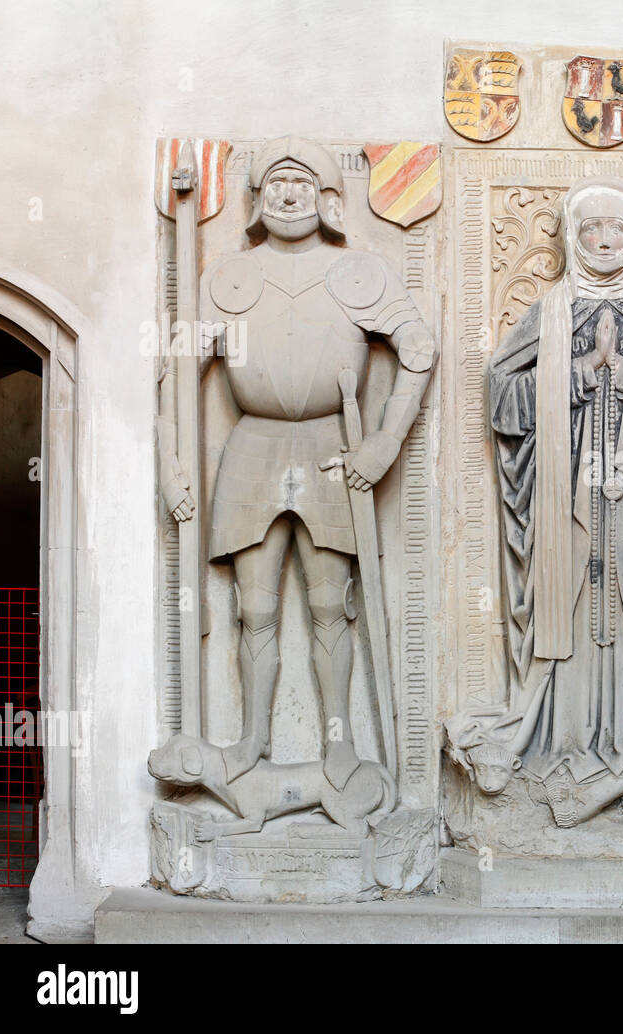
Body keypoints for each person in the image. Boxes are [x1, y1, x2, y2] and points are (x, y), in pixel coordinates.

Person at [446, 177, 623, 825]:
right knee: (572, 606)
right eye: (590, 230)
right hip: (563, 495)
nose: (604, 241)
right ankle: (565, 739)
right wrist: (578, 373)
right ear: (572, 240)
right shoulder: (549, 313)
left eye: (617, 229)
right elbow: (502, 395)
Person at [159, 136, 436, 791]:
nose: (288, 194)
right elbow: (174, 377)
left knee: (330, 604)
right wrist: (172, 467)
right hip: (252, 446)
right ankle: (252, 739)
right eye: (277, 183)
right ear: (257, 199)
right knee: (252, 609)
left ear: (326, 198)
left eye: (302, 183)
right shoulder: (228, 277)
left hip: (329, 449)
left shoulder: (358, 273)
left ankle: (338, 745)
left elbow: (419, 348)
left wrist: (383, 443)